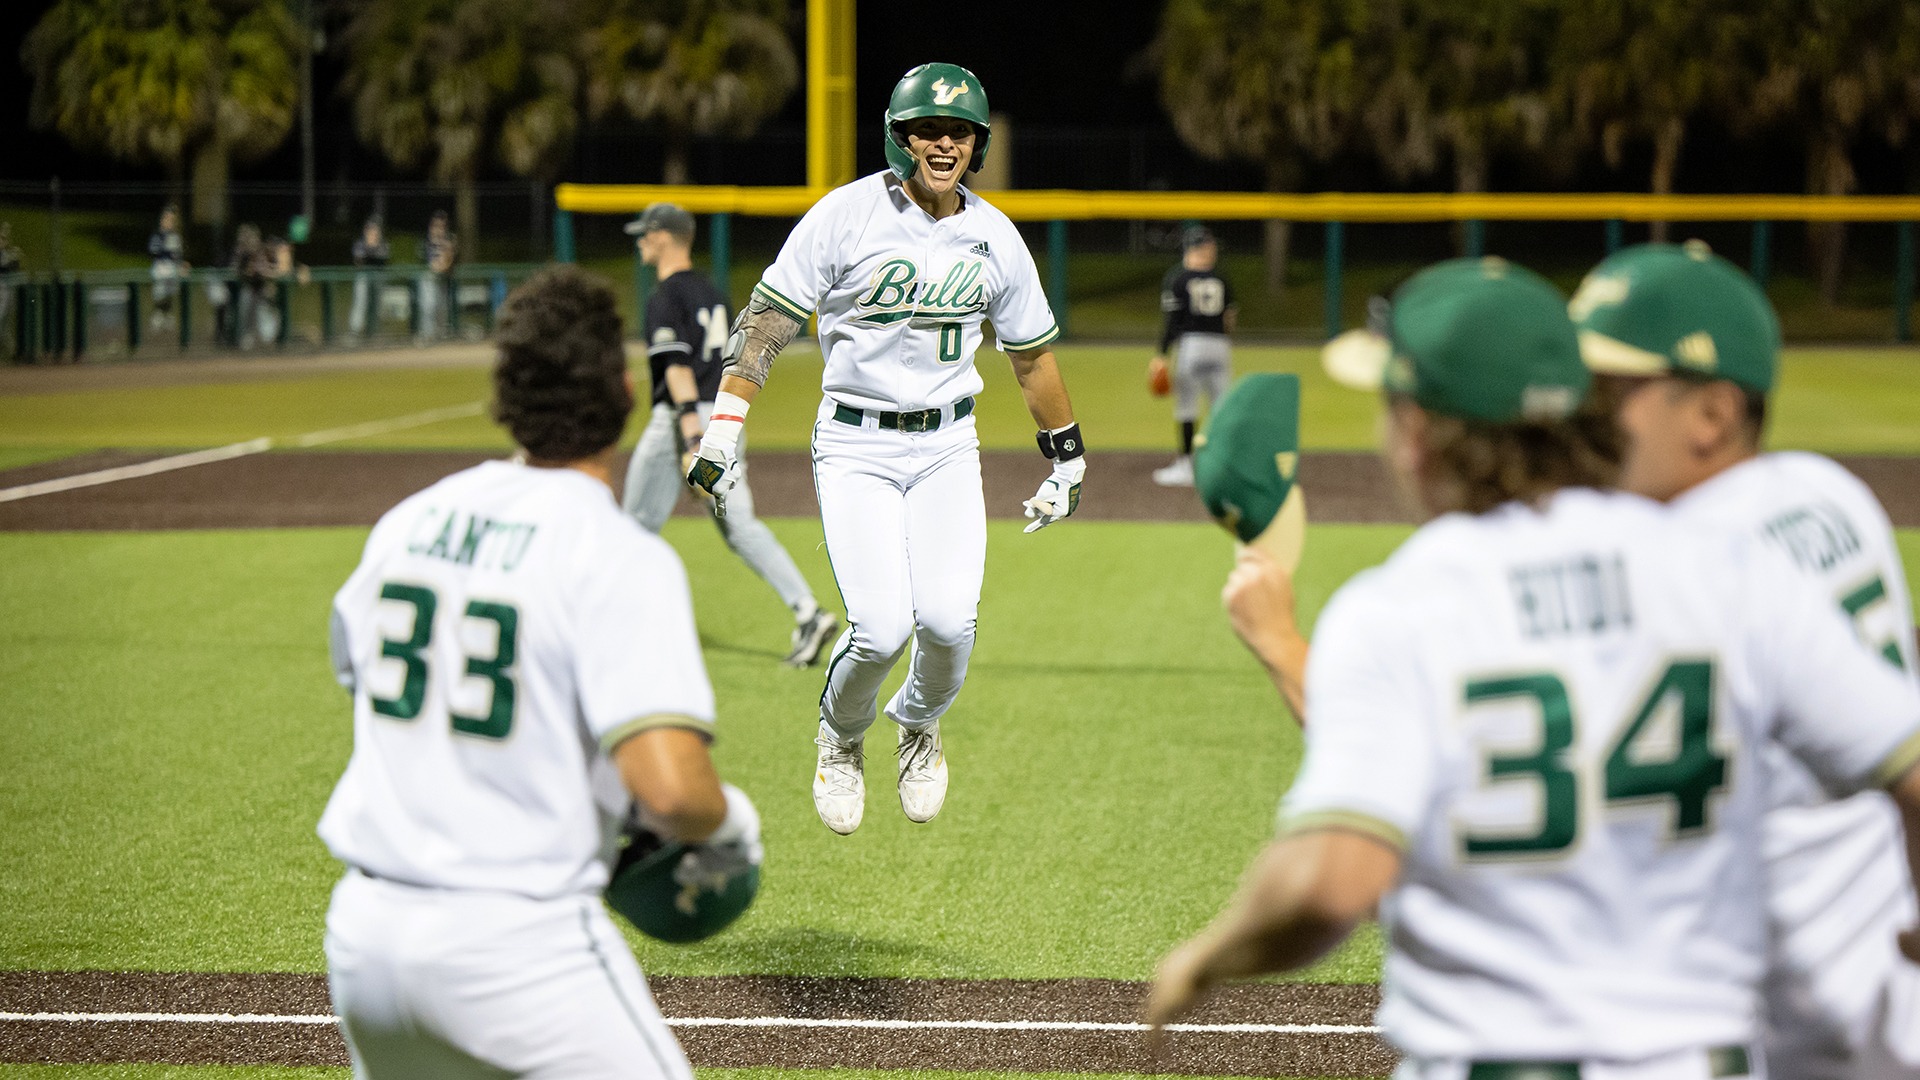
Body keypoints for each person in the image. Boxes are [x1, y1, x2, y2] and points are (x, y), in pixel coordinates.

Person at [1147, 257, 1920, 1079]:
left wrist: (1204, 957)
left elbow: (1337, 878)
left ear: (1415, 434)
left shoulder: (1406, 605)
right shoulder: (1747, 554)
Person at [319, 265, 761, 1079]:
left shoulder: (408, 522)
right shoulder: (617, 553)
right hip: (514, 948)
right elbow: (670, 792)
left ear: (507, 397)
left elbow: (366, 677)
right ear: (628, 394)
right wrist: (727, 821)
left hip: (366, 938)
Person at [685, 62, 1084, 835]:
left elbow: (1031, 356)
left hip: (945, 446)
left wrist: (1067, 458)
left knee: (948, 624)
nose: (944, 144)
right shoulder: (846, 215)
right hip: (855, 446)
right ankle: (840, 737)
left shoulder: (994, 236)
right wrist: (724, 427)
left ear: (978, 142)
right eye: (928, 130)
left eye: (959, 131)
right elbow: (769, 320)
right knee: (880, 628)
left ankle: (919, 723)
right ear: (898, 135)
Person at [1572, 241, 1920, 1080]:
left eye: (1611, 393)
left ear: (1712, 415)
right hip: (1887, 999)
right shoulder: (1825, 490)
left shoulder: (1685, 569)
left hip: (1774, 1027)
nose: (1577, 418)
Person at [620, 202, 841, 667]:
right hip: (724, 418)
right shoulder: (713, 293)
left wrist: (690, 435)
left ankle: (619, 630)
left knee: (633, 530)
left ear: (664, 237)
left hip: (684, 422)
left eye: (645, 233)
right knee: (740, 525)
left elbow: (677, 366)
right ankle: (808, 611)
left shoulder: (664, 296)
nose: (639, 241)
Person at [1150, 225, 1236, 487]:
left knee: (1186, 406)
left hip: (1192, 345)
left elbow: (1172, 320)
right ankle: (1223, 468)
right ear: (1204, 248)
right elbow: (1230, 319)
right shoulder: (1222, 279)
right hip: (1220, 345)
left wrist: (1162, 354)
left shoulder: (1178, 278)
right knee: (1222, 409)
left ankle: (1187, 466)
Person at [418, 210, 457, 345]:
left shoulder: (449, 240)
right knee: (428, 306)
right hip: (428, 278)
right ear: (431, 226)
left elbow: (449, 262)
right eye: (436, 226)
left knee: (442, 308)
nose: (439, 229)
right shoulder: (425, 241)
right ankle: (427, 335)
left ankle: (440, 336)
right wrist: (440, 264)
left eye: (442, 226)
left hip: (443, 279)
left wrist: (447, 254)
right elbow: (429, 264)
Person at [148, 205, 189, 332]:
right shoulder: (157, 235)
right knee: (160, 292)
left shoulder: (175, 236)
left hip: (171, 266)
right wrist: (164, 245)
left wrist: (182, 264)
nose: (169, 222)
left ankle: (167, 315)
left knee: (171, 292)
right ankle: (158, 315)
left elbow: (178, 254)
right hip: (160, 265)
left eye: (171, 220)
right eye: (167, 219)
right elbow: (153, 250)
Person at [350, 216, 390, 341]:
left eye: (374, 230)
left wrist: (371, 250)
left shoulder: (383, 244)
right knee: (360, 303)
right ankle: (354, 333)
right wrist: (369, 248)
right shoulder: (359, 244)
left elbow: (383, 257)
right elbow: (358, 260)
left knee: (377, 305)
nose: (372, 232)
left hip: (378, 278)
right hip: (363, 277)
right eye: (369, 229)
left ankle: (375, 332)